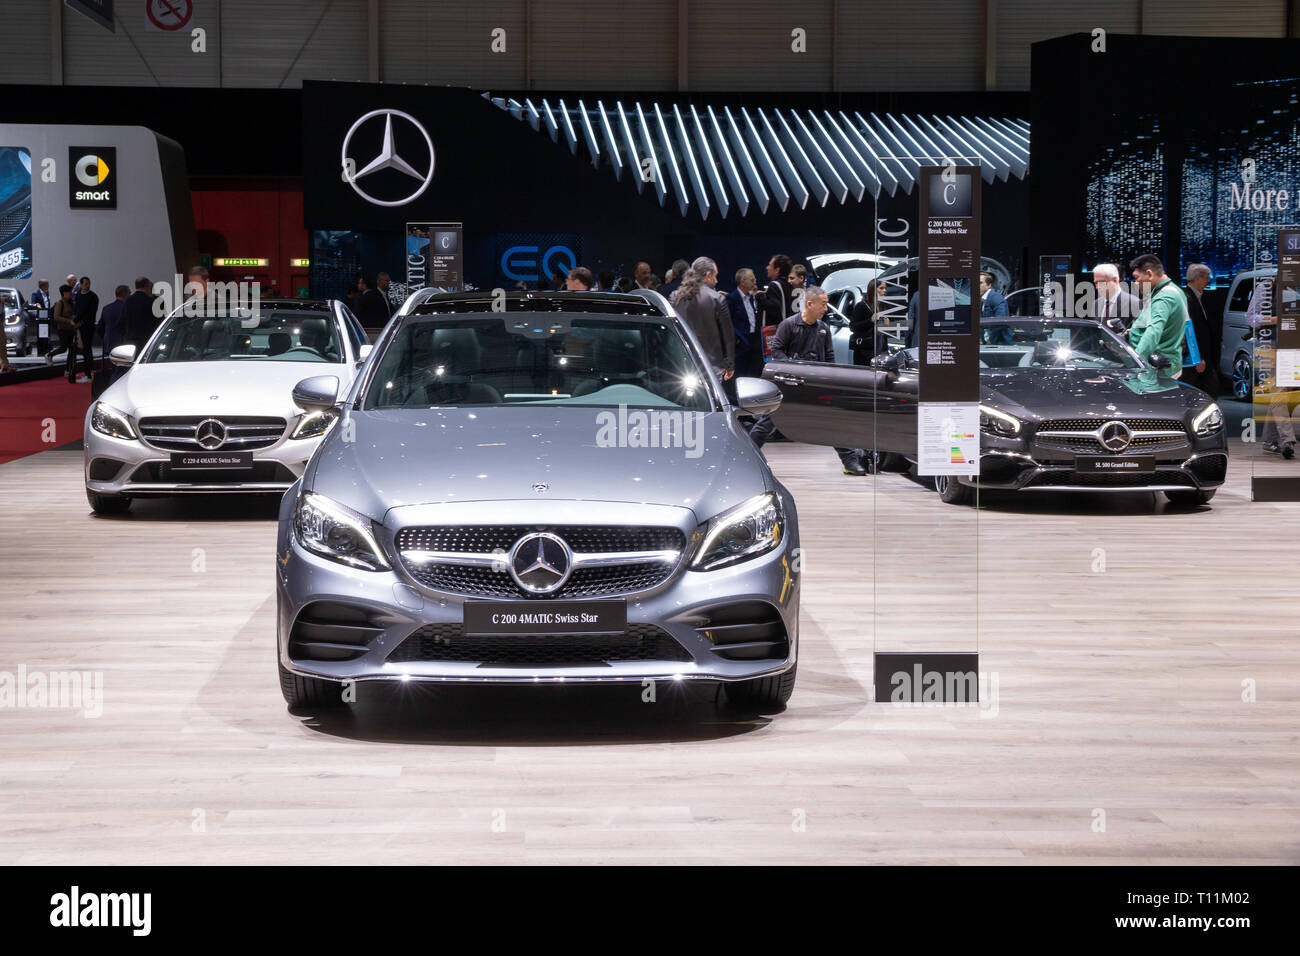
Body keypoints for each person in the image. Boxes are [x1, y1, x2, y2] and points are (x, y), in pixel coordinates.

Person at [750, 286, 867, 475]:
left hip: (815, 386)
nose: (826, 308)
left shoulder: (824, 329)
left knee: (834, 421)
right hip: (789, 385)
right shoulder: (788, 325)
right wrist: (795, 369)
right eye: (823, 304)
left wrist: (831, 380)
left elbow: (829, 358)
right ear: (810, 304)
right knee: (767, 422)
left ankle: (849, 461)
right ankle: (747, 457)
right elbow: (777, 352)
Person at [670, 256, 735, 391]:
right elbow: (728, 336)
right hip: (710, 368)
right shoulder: (717, 298)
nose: (716, 281)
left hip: (679, 366)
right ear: (708, 275)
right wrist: (730, 364)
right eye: (715, 276)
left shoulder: (674, 297)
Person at [1128, 254, 1187, 376]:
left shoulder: (1165, 296)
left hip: (1157, 369)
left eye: (1136, 278)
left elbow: (1154, 331)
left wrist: (1136, 362)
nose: (1136, 283)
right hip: (1161, 364)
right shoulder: (1172, 290)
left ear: (1149, 274)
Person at [1183, 263, 1220, 396]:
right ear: (1198, 278)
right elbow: (1189, 331)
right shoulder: (1186, 298)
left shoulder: (1202, 298)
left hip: (1205, 357)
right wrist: (1198, 357)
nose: (1209, 281)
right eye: (1206, 277)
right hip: (1196, 358)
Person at [725, 267, 764, 378]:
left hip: (754, 343)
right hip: (740, 346)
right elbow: (727, 324)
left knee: (753, 376)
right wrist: (737, 340)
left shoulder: (751, 298)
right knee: (740, 376)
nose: (755, 282)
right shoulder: (731, 299)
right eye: (752, 280)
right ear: (742, 281)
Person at [93, 284, 131, 393]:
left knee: (114, 369)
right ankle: (113, 392)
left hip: (109, 343)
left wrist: (105, 338)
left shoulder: (107, 308)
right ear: (124, 294)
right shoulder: (126, 308)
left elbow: (100, 327)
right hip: (123, 343)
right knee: (120, 371)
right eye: (129, 293)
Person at [849, 280, 888, 365]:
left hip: (881, 350)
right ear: (873, 290)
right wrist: (870, 321)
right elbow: (852, 326)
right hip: (865, 351)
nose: (885, 290)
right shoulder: (862, 306)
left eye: (885, 288)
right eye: (881, 288)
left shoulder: (883, 306)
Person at [1092, 263, 1140, 328]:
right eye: (1096, 283)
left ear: (1115, 280)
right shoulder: (1096, 304)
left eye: (1101, 282)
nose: (1097, 287)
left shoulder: (1134, 303)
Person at [760, 254, 795, 337]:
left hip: (778, 334)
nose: (767, 268)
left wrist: (760, 297)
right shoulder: (789, 285)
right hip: (790, 331)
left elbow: (774, 308)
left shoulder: (774, 285)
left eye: (770, 265)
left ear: (777, 270)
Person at [123, 276, 158, 352]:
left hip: (130, 339)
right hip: (146, 339)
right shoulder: (150, 301)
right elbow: (156, 321)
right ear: (147, 286)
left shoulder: (127, 301)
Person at [47, 284, 76, 371]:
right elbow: (56, 317)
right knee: (63, 348)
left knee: (71, 350)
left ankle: (68, 370)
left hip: (71, 329)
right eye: (69, 292)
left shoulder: (71, 303)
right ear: (64, 293)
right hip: (62, 329)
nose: (71, 294)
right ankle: (49, 355)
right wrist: (68, 321)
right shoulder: (60, 303)